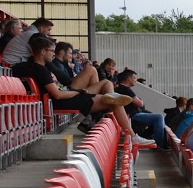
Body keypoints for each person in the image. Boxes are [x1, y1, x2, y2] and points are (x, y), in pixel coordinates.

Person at [11, 34, 145, 138]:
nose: (53, 53)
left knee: (109, 88)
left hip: (66, 96)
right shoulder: (41, 70)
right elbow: (57, 94)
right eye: (51, 51)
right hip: (63, 100)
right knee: (115, 101)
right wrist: (79, 92)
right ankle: (131, 136)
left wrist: (77, 91)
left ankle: (100, 120)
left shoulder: (33, 67)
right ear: (42, 52)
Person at [115, 69, 168, 149]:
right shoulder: (125, 89)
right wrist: (141, 101)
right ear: (128, 78)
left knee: (158, 118)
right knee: (159, 117)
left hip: (131, 114)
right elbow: (140, 103)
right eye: (134, 78)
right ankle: (159, 144)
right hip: (133, 115)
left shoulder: (121, 88)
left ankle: (153, 140)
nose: (136, 80)